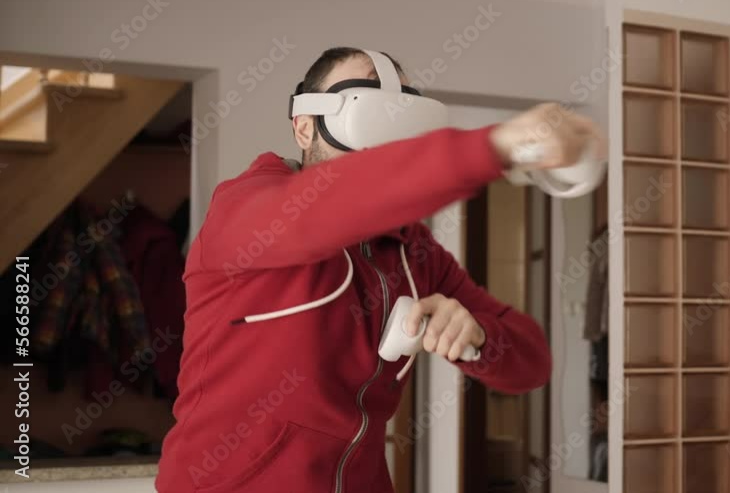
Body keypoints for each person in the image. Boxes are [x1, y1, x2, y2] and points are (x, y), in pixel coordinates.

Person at [155, 47, 603, 493]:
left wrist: (479, 336)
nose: (377, 142)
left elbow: (533, 363)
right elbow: (335, 201)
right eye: (363, 111)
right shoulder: (243, 210)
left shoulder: (413, 252)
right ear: (304, 127)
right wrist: (497, 146)